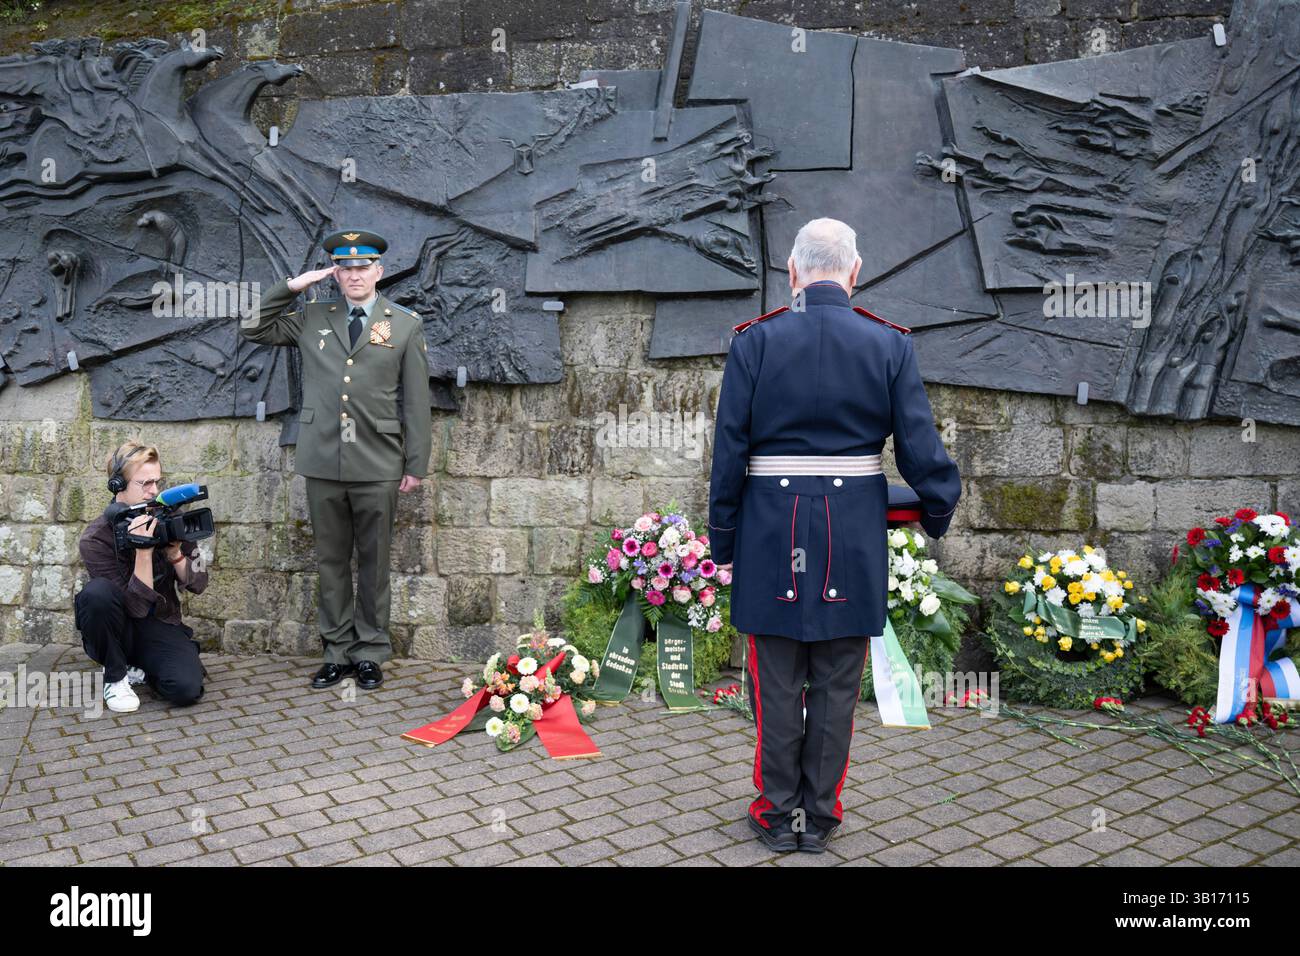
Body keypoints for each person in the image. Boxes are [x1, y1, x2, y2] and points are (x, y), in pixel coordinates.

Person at [708, 217, 961, 854]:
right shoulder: (890, 345)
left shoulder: (753, 341)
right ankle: (817, 818)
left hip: (771, 531)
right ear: (854, 272)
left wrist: (724, 541)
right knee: (839, 682)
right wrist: (934, 511)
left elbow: (728, 453)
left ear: (792, 272)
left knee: (776, 681)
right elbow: (921, 449)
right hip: (850, 535)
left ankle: (776, 810)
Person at [241, 230, 433, 690]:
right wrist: (292, 287)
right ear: (335, 274)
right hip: (323, 459)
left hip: (378, 461)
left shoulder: (404, 324)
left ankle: (369, 651)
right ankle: (336, 651)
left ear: (378, 272)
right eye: (345, 268)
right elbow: (252, 326)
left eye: (363, 267)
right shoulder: (312, 315)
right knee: (329, 560)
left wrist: (416, 463)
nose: (354, 275)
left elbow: (416, 402)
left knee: (373, 560)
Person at [76, 440, 209, 713]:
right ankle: (115, 675)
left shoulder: (170, 517)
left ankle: (142, 669)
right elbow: (135, 608)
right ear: (118, 486)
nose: (154, 491)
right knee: (95, 594)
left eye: (156, 482)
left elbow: (199, 582)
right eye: (144, 483)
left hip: (159, 623)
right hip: (118, 628)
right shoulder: (95, 538)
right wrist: (144, 552)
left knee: (186, 688)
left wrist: (175, 554)